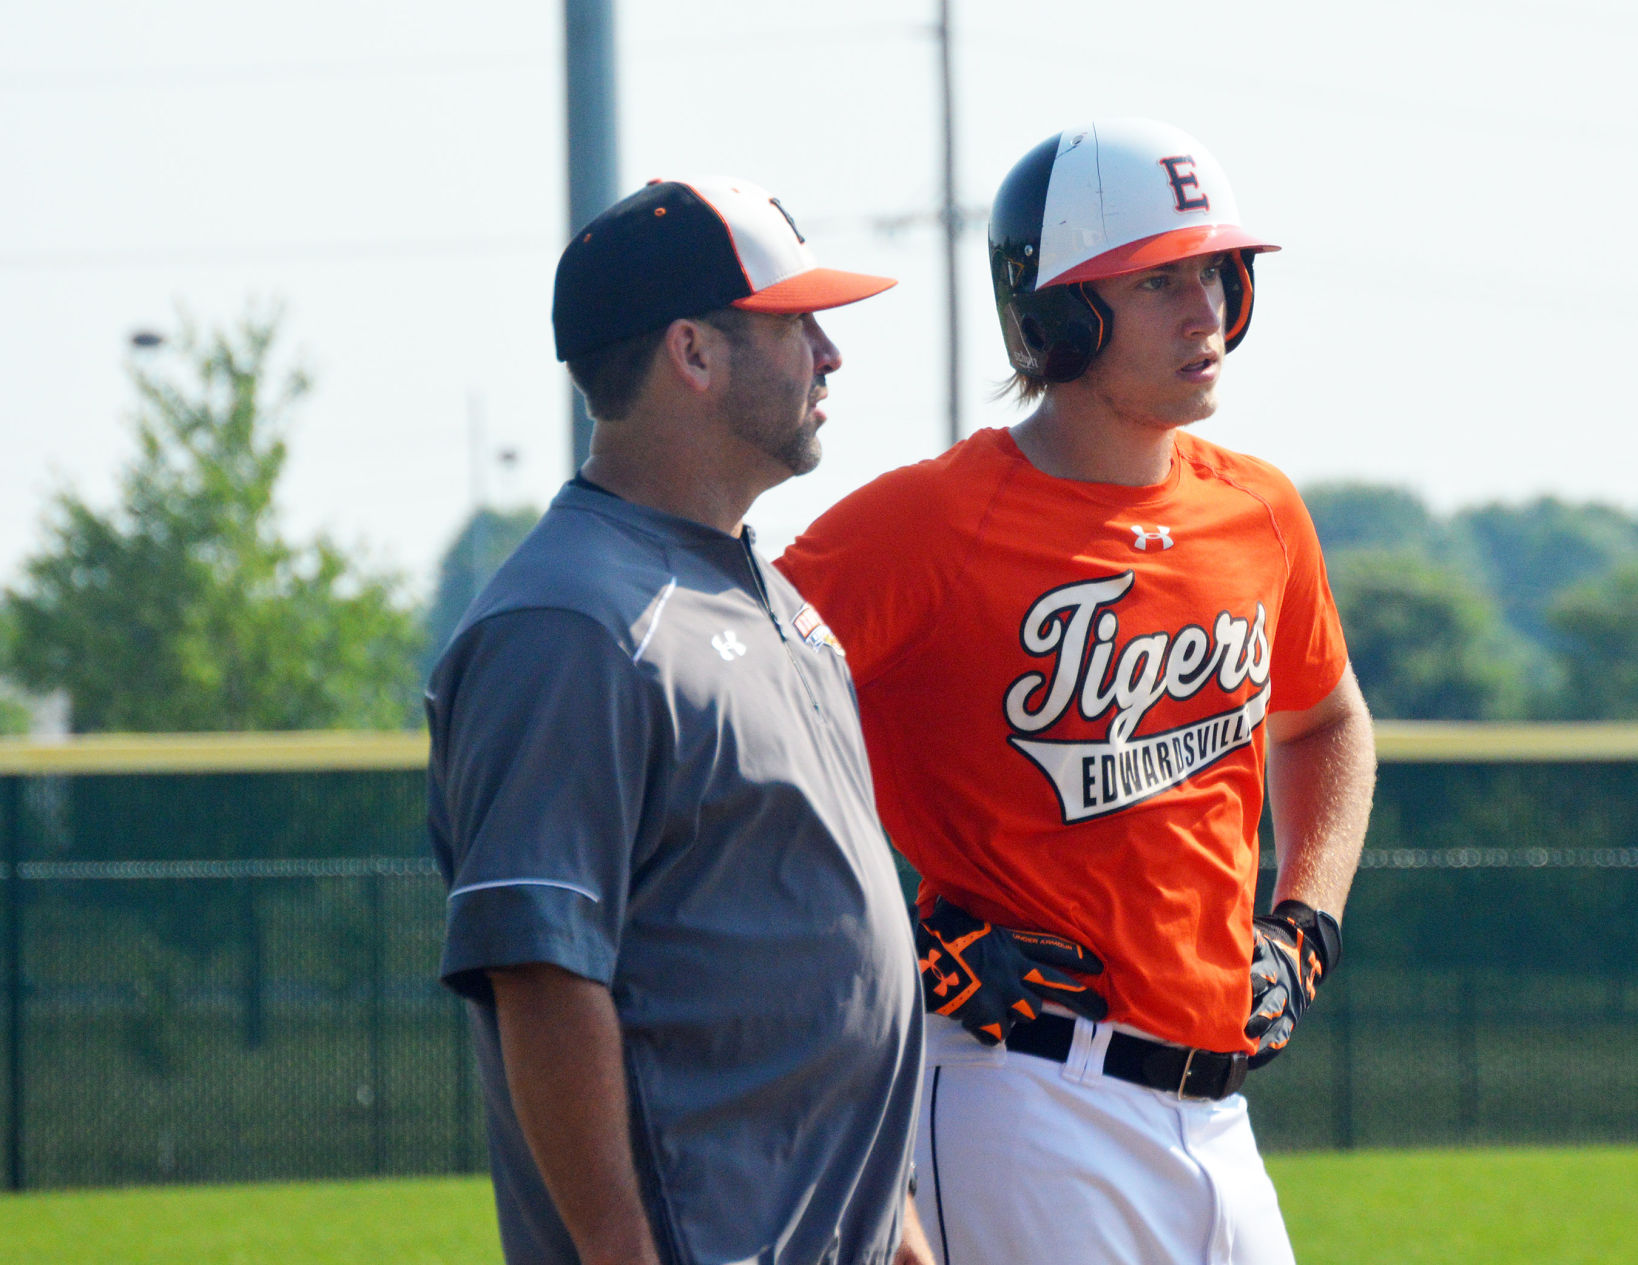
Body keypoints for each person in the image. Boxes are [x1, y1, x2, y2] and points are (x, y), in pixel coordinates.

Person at [777, 119, 1377, 1264]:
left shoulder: (1258, 509)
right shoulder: (929, 523)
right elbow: (726, 744)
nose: (1205, 307)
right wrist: (899, 941)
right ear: (1058, 314)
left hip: (1220, 1112)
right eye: (1158, 281)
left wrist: (1307, 920)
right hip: (1023, 1092)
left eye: (1214, 271)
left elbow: (1329, 721)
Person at [426, 176, 931, 1265]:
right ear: (694, 354)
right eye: (797, 323)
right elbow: (545, 971)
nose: (831, 355)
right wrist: (619, 1248)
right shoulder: (571, 620)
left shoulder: (771, 597)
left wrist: (895, 1225)